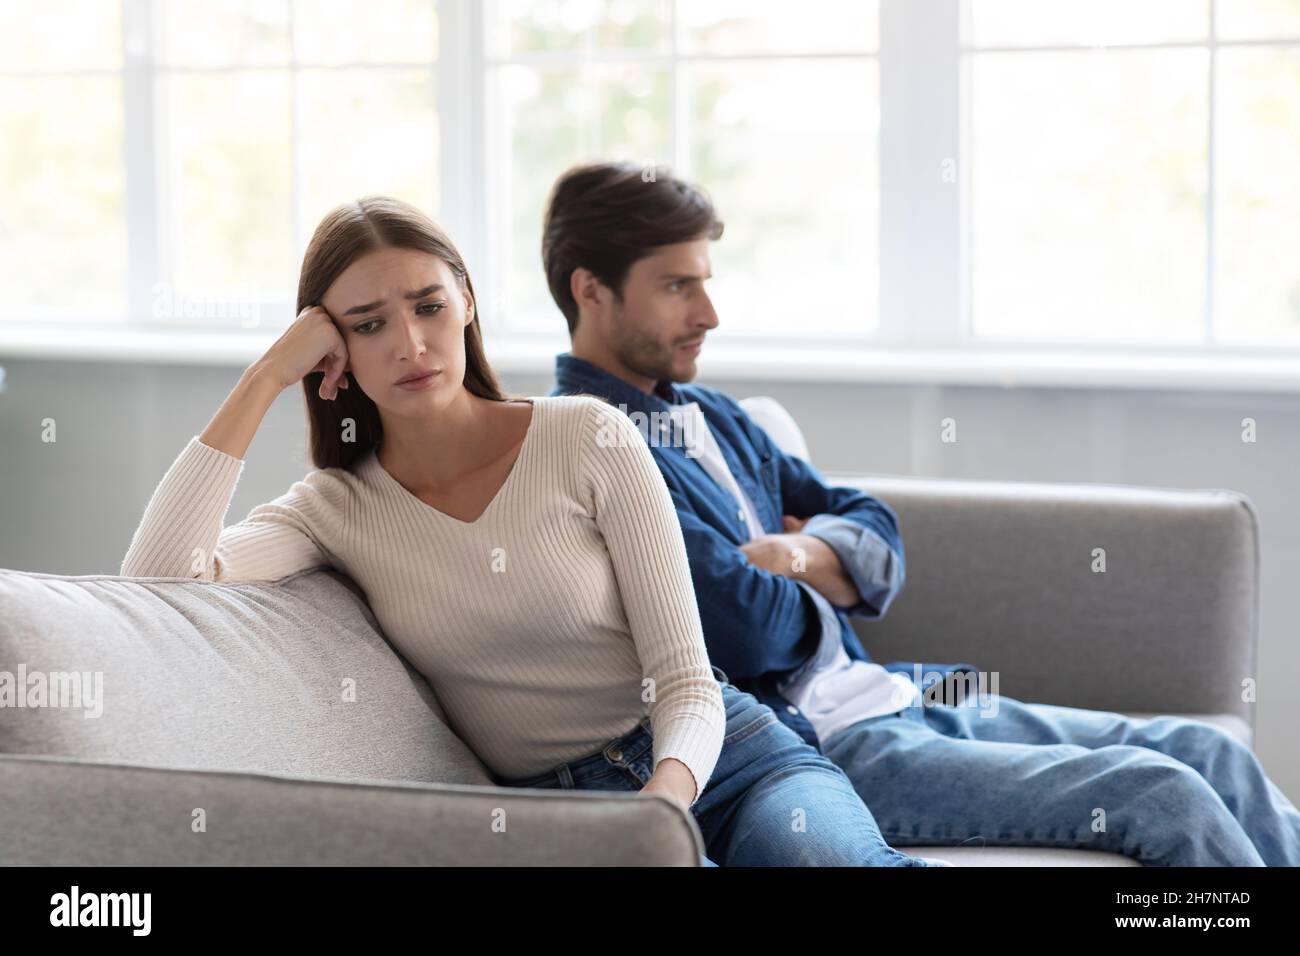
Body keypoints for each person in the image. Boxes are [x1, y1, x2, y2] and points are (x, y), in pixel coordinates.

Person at [121, 195, 939, 867]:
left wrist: (660, 806)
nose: (410, 343)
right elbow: (157, 581)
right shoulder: (333, 508)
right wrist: (265, 376)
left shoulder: (587, 435)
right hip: (558, 822)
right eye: (367, 325)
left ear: (466, 305)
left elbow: (688, 681)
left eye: (429, 306)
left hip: (724, 764)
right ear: (331, 353)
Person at [542, 160, 1300, 866]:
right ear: (590, 291)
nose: (709, 312)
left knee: (1210, 752)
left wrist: (798, 557)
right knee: (1160, 793)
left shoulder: (716, 414)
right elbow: (743, 633)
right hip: (828, 743)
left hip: (908, 693)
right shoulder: (592, 447)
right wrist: (821, 575)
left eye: (705, 281)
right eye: (677, 287)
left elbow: (875, 526)